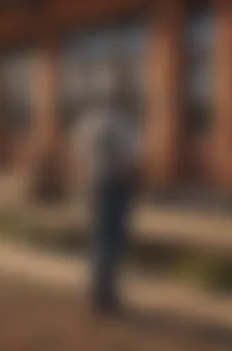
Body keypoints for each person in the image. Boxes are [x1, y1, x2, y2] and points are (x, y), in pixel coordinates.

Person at [73, 63, 139, 314]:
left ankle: (96, 293)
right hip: (116, 184)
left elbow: (79, 150)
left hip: (96, 183)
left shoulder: (89, 122)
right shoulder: (122, 123)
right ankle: (106, 295)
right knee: (112, 241)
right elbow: (131, 156)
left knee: (99, 239)